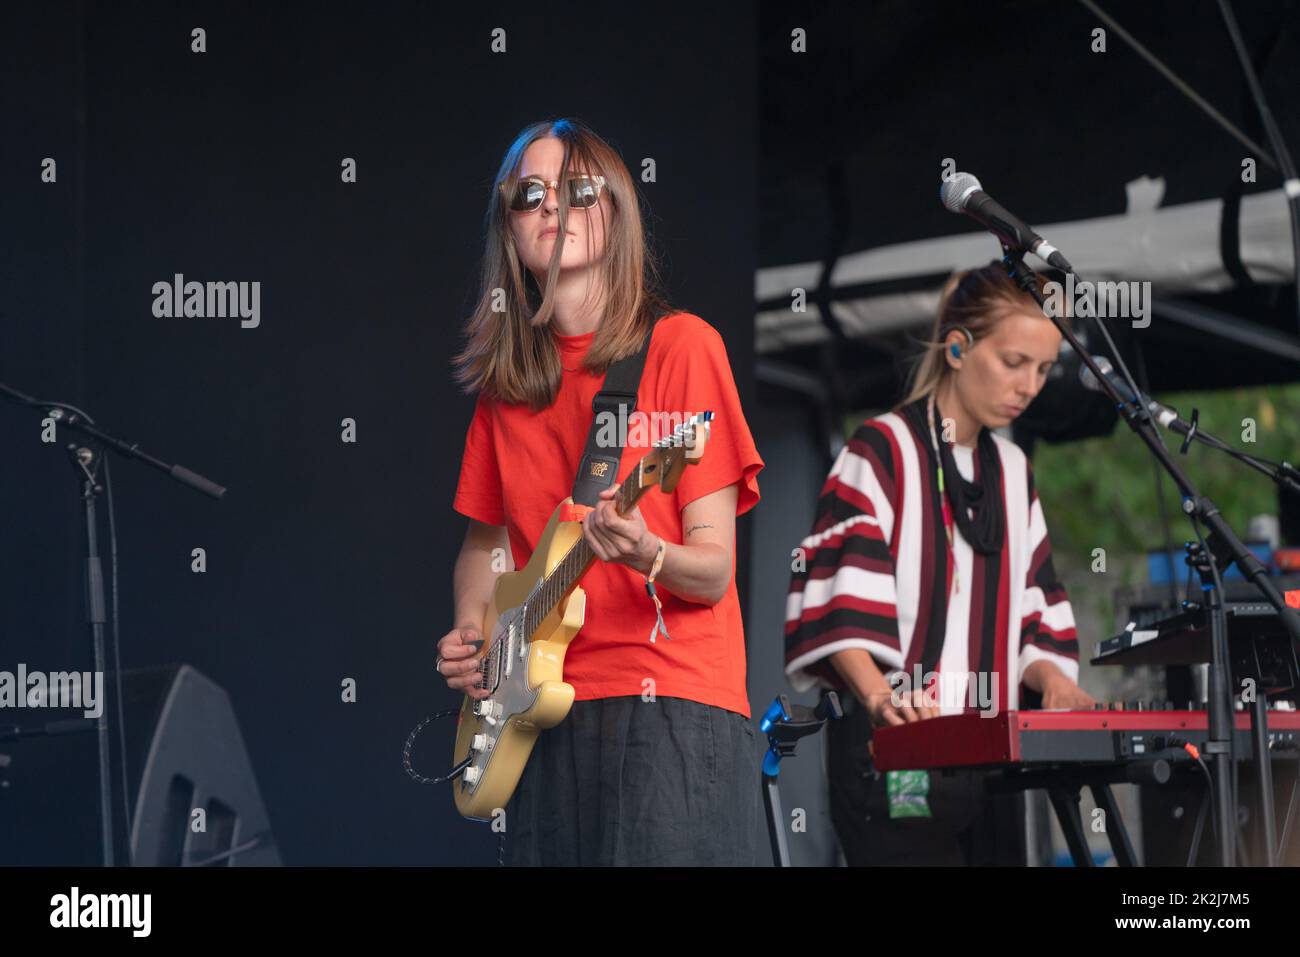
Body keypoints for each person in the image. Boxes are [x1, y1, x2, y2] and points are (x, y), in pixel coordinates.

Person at [437, 118, 765, 866]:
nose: (554, 207)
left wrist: (649, 550)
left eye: (578, 190)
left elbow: (713, 569)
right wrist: (473, 629)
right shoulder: (504, 389)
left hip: (669, 705)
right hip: (538, 717)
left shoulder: (683, 347)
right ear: (509, 228)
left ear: (615, 211)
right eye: (531, 195)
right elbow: (484, 546)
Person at [783, 263, 1096, 865]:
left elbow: (1037, 605)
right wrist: (881, 700)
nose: (1029, 385)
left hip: (991, 757)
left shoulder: (1012, 471)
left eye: (1043, 368)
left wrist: (1056, 683)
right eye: (1013, 362)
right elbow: (836, 600)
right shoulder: (881, 449)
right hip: (895, 753)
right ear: (957, 347)